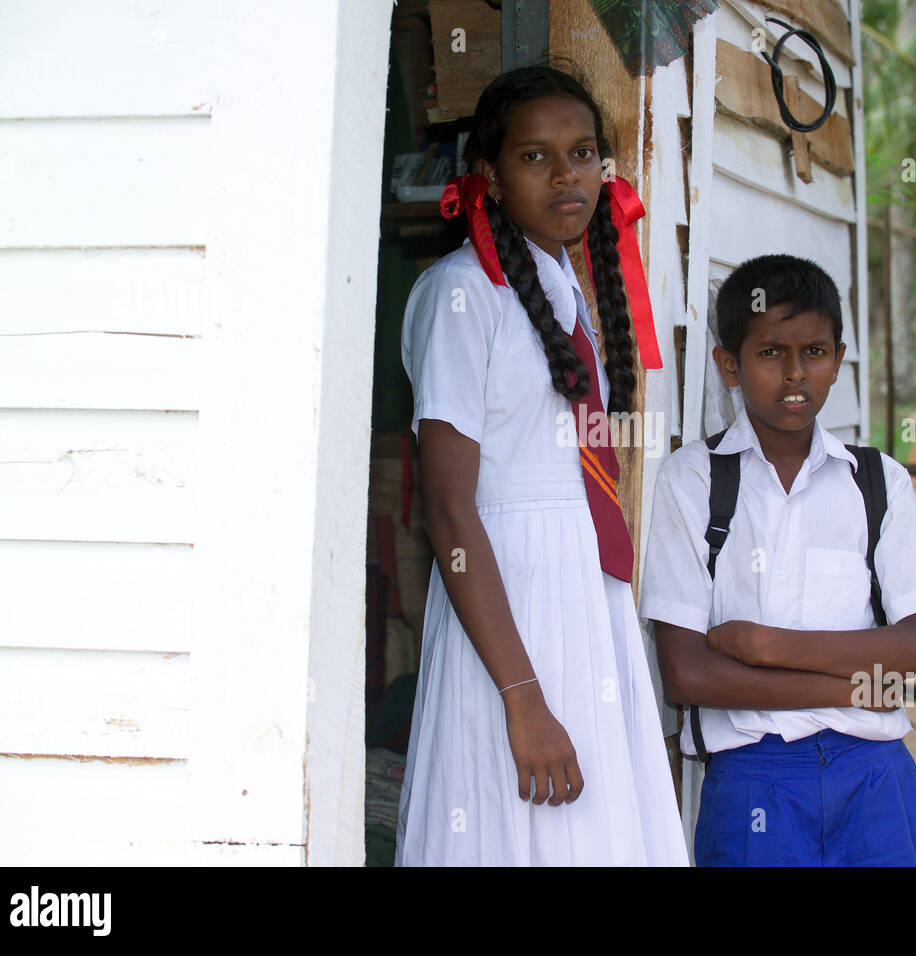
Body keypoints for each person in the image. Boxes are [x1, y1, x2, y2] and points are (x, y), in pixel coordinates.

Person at [394, 64, 688, 866]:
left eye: (584, 151)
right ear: (488, 176)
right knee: (513, 830)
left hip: (586, 596)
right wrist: (524, 701)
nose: (567, 175)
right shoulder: (461, 295)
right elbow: (450, 511)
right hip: (510, 610)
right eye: (535, 156)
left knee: (591, 835)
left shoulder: (566, 293)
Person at [639, 254, 916, 866]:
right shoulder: (694, 482)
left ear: (838, 361)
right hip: (753, 784)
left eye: (814, 352)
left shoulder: (876, 481)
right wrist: (857, 683)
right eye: (770, 353)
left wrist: (767, 645)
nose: (795, 373)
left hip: (875, 783)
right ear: (728, 364)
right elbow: (689, 675)